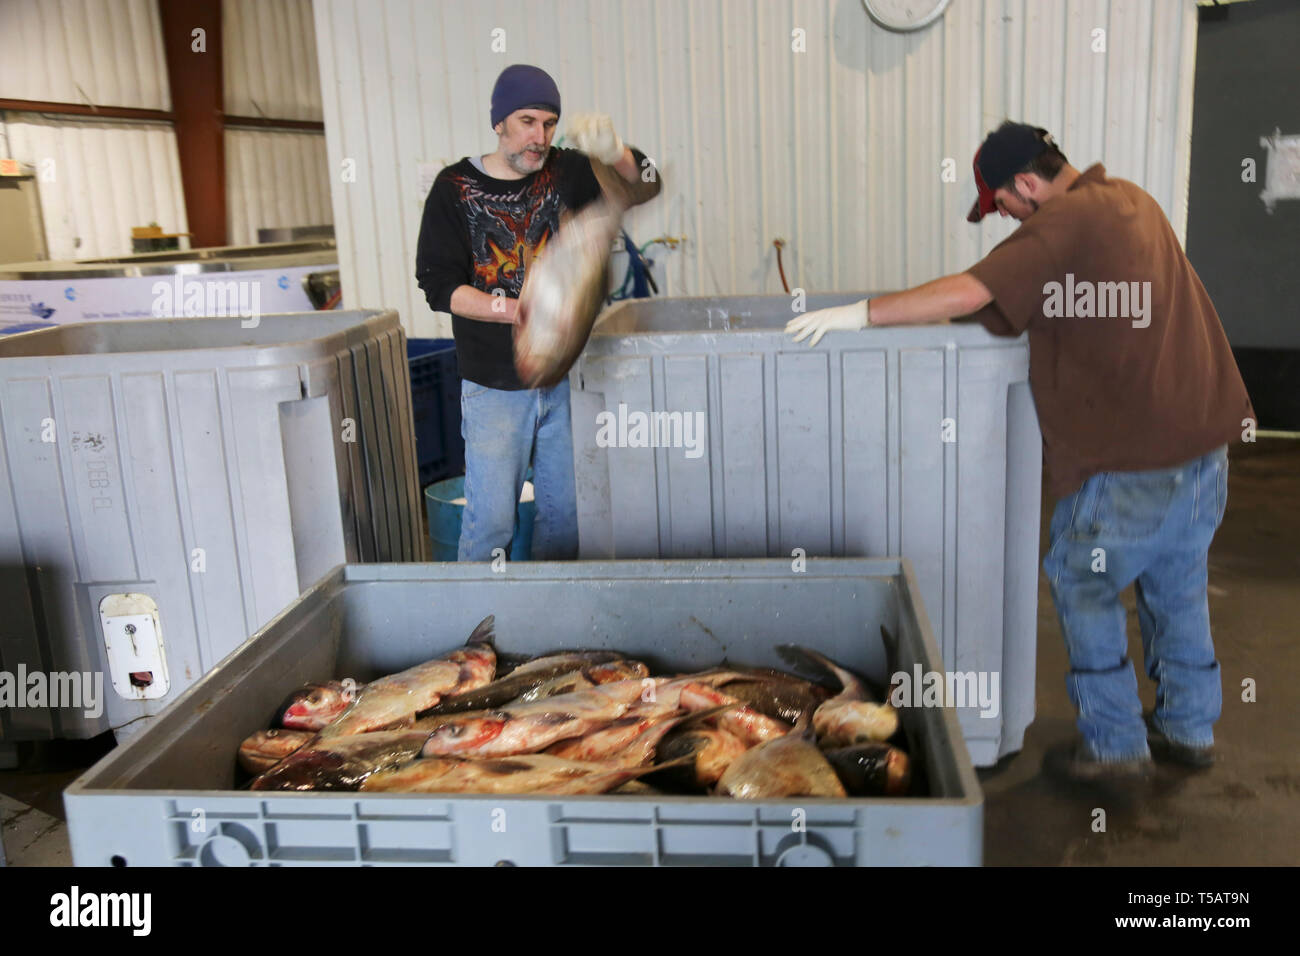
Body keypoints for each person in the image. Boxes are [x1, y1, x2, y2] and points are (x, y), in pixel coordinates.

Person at [787, 121, 1253, 780]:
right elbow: (1054, 301)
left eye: (1001, 202)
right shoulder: (1132, 201)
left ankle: (1115, 745)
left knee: (1083, 581)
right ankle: (1189, 728)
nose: (1002, 216)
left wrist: (859, 314)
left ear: (1027, 182)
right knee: (1176, 587)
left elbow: (972, 289)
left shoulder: (1065, 221)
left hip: (1134, 461)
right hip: (1204, 449)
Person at [416, 64, 658, 562]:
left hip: (566, 380)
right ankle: (479, 613)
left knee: (566, 518)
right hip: (493, 387)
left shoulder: (569, 171)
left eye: (549, 124)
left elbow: (649, 183)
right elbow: (439, 287)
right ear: (498, 121)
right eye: (527, 121)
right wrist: (517, 309)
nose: (540, 137)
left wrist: (616, 151)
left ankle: (552, 609)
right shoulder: (454, 187)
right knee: (490, 525)